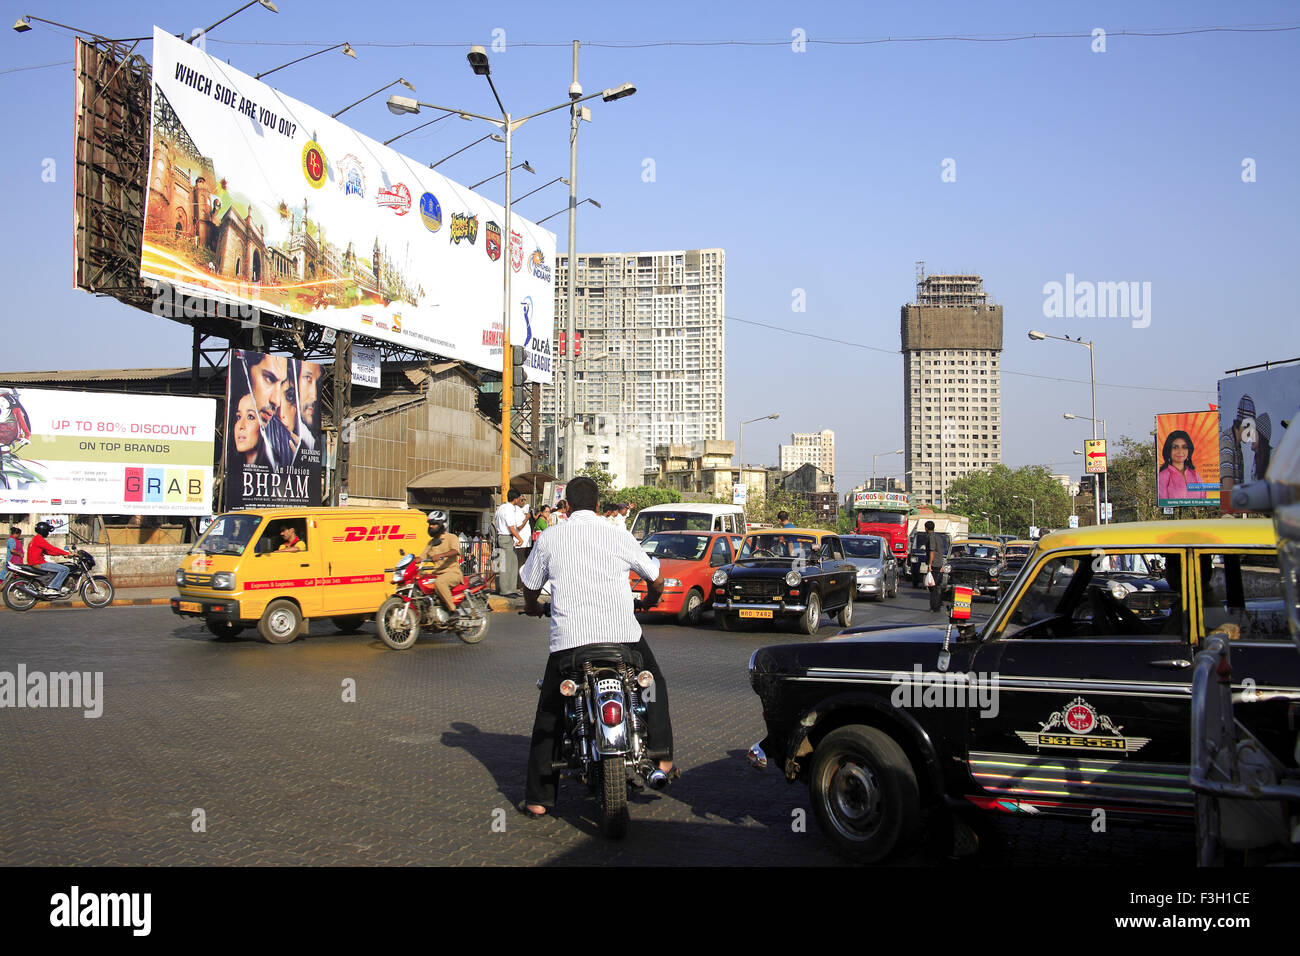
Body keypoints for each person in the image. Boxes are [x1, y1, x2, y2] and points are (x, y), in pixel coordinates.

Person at [518, 475, 676, 818]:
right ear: (601, 506)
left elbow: (528, 583)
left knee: (550, 710)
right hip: (623, 637)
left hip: (570, 644)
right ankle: (663, 755)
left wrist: (532, 607)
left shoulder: (550, 537)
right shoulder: (618, 535)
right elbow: (657, 579)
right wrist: (649, 600)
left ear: (567, 506)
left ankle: (538, 799)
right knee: (654, 683)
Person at [421, 511, 463, 617]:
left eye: (434, 524)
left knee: (439, 582)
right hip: (436, 573)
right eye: (430, 524)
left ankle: (453, 610)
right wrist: (411, 559)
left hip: (452, 573)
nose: (431, 526)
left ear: (442, 524)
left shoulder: (451, 537)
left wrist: (441, 555)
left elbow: (455, 551)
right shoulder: (431, 542)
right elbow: (422, 557)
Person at [493, 490, 528, 595]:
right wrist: (520, 539)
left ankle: (508, 589)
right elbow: (512, 527)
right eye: (520, 499)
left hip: (501, 537)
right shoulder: (509, 509)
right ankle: (506, 590)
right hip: (506, 537)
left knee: (508, 564)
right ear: (516, 499)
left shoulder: (501, 508)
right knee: (508, 566)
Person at [27, 520, 72, 596]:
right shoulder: (39, 539)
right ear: (44, 531)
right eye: (47, 531)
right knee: (65, 569)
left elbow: (48, 552)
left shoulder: (35, 539)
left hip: (36, 562)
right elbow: (51, 548)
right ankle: (53, 587)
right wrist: (66, 553)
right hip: (39, 563)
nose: (48, 533)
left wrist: (62, 554)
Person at [1158, 430, 1205, 500]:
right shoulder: (1163, 476)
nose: (1180, 451)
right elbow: (1163, 502)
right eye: (1175, 447)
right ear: (1169, 450)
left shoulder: (1195, 475)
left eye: (1184, 447)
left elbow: (1203, 499)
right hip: (1174, 511)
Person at [230, 392, 271, 468]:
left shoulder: (278, 469)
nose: (241, 426)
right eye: (238, 417)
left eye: (250, 417)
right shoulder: (232, 471)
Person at [925, 520, 945, 613]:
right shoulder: (938, 536)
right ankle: (938, 602)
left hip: (934, 564)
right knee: (936, 585)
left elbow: (932, 551)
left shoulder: (931, 537)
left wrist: (929, 564)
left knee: (933, 586)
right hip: (939, 563)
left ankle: (935, 606)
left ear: (926, 528)